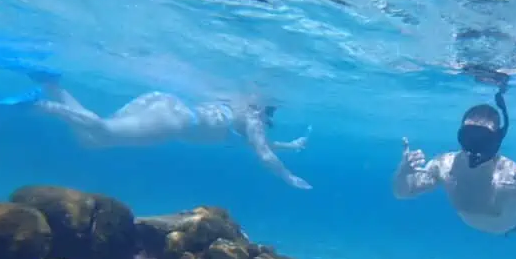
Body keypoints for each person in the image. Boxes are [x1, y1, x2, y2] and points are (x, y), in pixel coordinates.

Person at [32, 79, 313, 190]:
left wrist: (290, 146)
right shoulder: (252, 118)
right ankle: (39, 105)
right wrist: (288, 177)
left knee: (91, 141)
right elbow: (264, 155)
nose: (268, 121)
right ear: (264, 110)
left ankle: (52, 85)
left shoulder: (242, 118)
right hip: (174, 120)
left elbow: (261, 146)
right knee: (103, 131)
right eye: (270, 115)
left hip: (167, 106)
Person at [392, 83, 516, 235]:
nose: (474, 147)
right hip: (502, 224)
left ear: (496, 142)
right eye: (469, 137)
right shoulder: (444, 167)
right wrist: (404, 171)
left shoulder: (513, 179)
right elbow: (402, 193)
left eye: (483, 140)